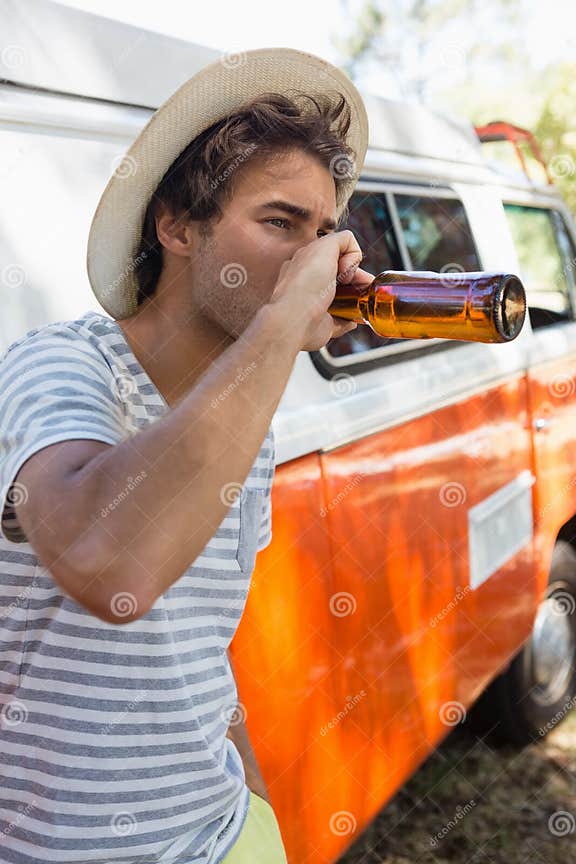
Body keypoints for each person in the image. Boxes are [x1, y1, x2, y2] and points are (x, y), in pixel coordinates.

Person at [0, 47, 371, 863]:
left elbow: (199, 651)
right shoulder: (61, 365)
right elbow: (110, 565)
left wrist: (259, 817)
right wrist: (284, 325)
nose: (314, 261)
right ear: (177, 227)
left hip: (224, 836)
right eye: (280, 223)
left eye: (322, 235)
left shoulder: (248, 418)